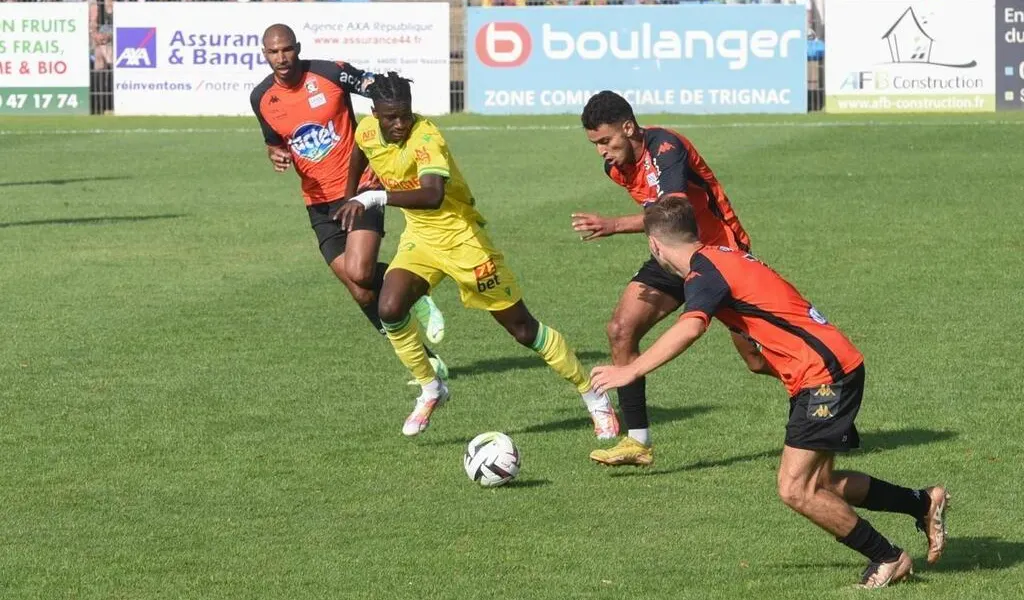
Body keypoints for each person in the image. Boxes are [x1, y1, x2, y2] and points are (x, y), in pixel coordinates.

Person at [589, 196, 950, 589]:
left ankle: (888, 556)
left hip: (824, 376)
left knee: (796, 489)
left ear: (655, 245)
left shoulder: (704, 275)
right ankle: (921, 502)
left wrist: (632, 369)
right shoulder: (724, 257)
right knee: (823, 484)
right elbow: (758, 351)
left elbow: (691, 327)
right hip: (826, 370)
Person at [333, 72, 619, 438]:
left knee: (522, 329)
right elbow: (361, 151)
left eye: (405, 114)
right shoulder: (369, 129)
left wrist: (375, 197)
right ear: (375, 111)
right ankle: (430, 387)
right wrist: (349, 195)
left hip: (464, 240)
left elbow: (433, 194)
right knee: (389, 308)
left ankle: (594, 396)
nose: (400, 123)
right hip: (421, 238)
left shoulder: (426, 137)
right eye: (391, 116)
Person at [249, 24, 446, 381]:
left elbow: (376, 89)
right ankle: (425, 359)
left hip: (359, 190)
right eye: (273, 52)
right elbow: (274, 142)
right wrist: (276, 155)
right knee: (360, 291)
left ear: (297, 47)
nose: (281, 58)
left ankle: (415, 287)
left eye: (287, 49)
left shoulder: (328, 73)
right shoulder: (261, 97)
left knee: (360, 271)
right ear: (264, 54)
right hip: (317, 201)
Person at [575, 90, 757, 466]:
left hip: (720, 255)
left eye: (606, 141)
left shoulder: (667, 148)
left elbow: (673, 211)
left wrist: (612, 225)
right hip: (674, 253)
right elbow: (663, 220)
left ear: (629, 128)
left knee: (756, 360)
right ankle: (637, 441)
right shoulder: (616, 168)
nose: (602, 152)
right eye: (595, 144)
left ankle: (821, 389)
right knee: (620, 330)